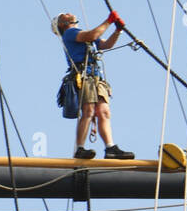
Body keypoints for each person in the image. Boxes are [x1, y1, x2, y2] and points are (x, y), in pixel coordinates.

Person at [54, 10, 135, 160]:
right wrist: (109, 21)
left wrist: (117, 31)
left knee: (104, 111)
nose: (68, 12)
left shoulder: (83, 35)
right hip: (84, 76)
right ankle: (79, 148)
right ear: (61, 24)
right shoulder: (70, 33)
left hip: (96, 76)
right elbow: (92, 35)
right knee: (89, 110)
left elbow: (105, 44)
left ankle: (110, 147)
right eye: (64, 14)